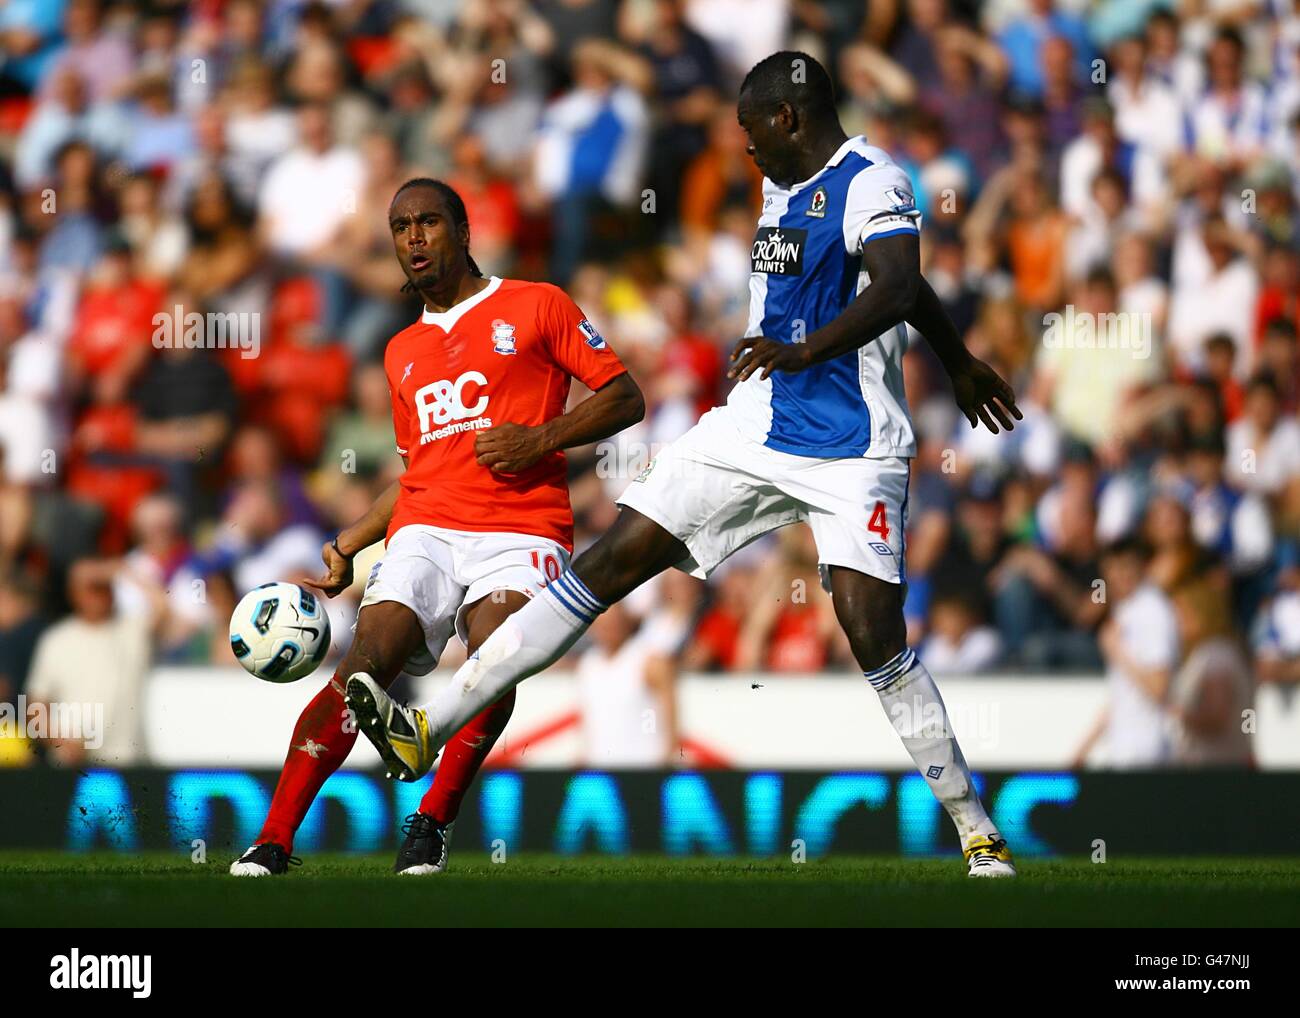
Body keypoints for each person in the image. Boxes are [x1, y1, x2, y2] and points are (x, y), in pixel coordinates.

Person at [349, 52, 1023, 877]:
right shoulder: (780, 187)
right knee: (612, 557)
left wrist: (913, 357)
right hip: (753, 425)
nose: (745, 151)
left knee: (872, 632)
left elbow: (897, 284)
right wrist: (954, 358)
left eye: (751, 133)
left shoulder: (874, 180)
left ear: (789, 120)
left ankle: (974, 825)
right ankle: (431, 724)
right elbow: (899, 294)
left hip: (855, 449)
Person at [229, 178, 643, 877]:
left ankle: (432, 820)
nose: (413, 238)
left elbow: (624, 396)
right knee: (366, 665)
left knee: (498, 651)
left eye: (427, 222)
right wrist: (349, 541)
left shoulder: (537, 304)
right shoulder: (401, 352)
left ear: (462, 229)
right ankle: (272, 841)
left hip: (523, 526)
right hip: (426, 528)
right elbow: (420, 471)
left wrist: (540, 441)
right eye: (400, 227)